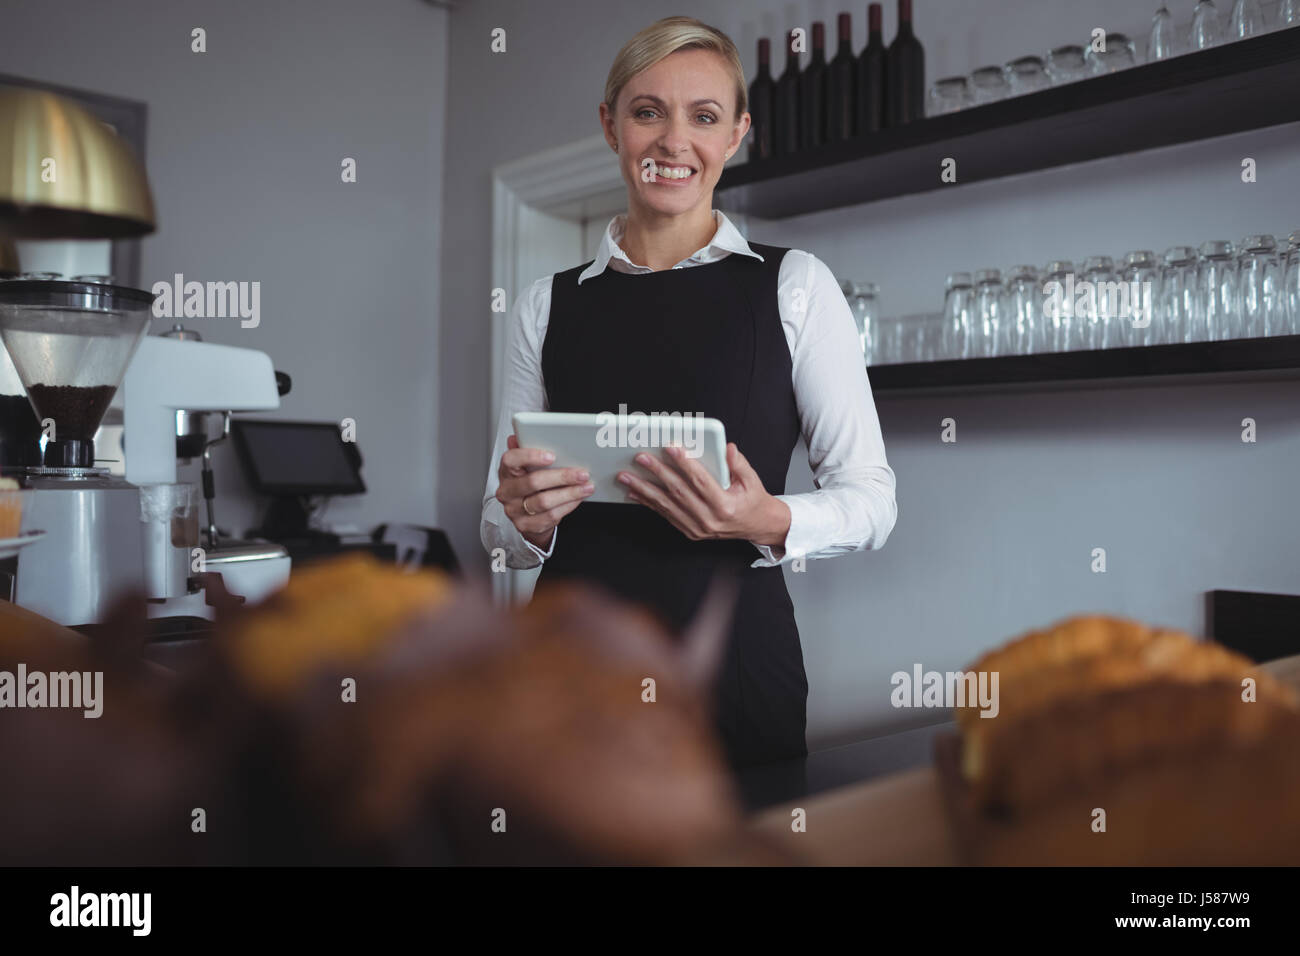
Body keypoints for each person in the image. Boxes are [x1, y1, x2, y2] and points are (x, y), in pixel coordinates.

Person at [481, 16, 897, 772]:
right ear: (611, 127)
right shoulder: (545, 304)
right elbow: (499, 527)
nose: (675, 142)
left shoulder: (794, 284)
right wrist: (524, 520)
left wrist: (765, 517)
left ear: (736, 133)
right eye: (648, 113)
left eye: (703, 117)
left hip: (733, 672)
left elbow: (873, 499)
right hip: (569, 677)